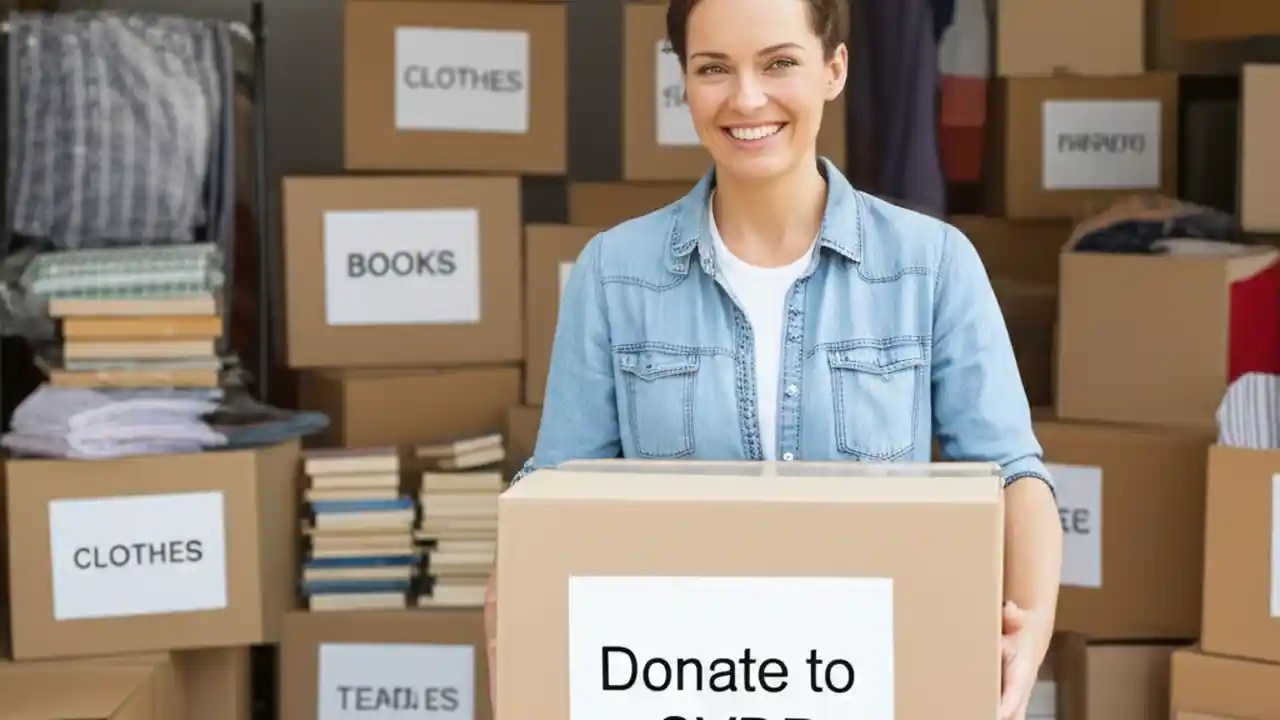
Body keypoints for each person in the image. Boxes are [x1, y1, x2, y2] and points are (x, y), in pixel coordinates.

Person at [485, 0, 1062, 717]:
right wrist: (517, 645)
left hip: (870, 680)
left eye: (779, 62)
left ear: (834, 69)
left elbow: (1013, 473)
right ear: (685, 82)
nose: (746, 98)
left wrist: (1031, 623)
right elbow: (554, 496)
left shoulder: (930, 264)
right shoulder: (613, 272)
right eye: (713, 69)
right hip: (678, 681)